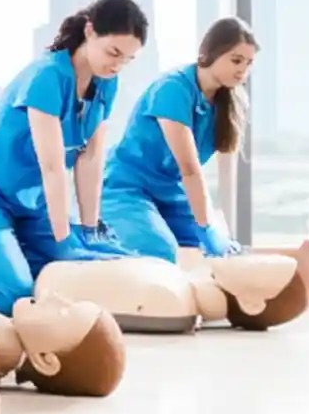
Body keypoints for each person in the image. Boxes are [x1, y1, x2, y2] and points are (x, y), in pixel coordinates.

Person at [0, 0, 148, 316]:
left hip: (34, 206)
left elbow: (90, 160)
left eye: (128, 59)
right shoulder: (46, 76)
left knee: (85, 272)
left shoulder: (105, 85)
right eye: (113, 52)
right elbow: (53, 166)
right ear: (90, 31)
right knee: (10, 291)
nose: (117, 65)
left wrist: (88, 230)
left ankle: (14, 254)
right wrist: (64, 238)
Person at [99, 16, 257, 261]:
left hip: (171, 191)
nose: (242, 70)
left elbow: (227, 174)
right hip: (127, 187)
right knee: (159, 251)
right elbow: (190, 169)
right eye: (236, 60)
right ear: (211, 53)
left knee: (223, 252)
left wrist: (222, 231)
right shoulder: (173, 89)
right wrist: (205, 227)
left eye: (249, 63)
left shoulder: (230, 102)